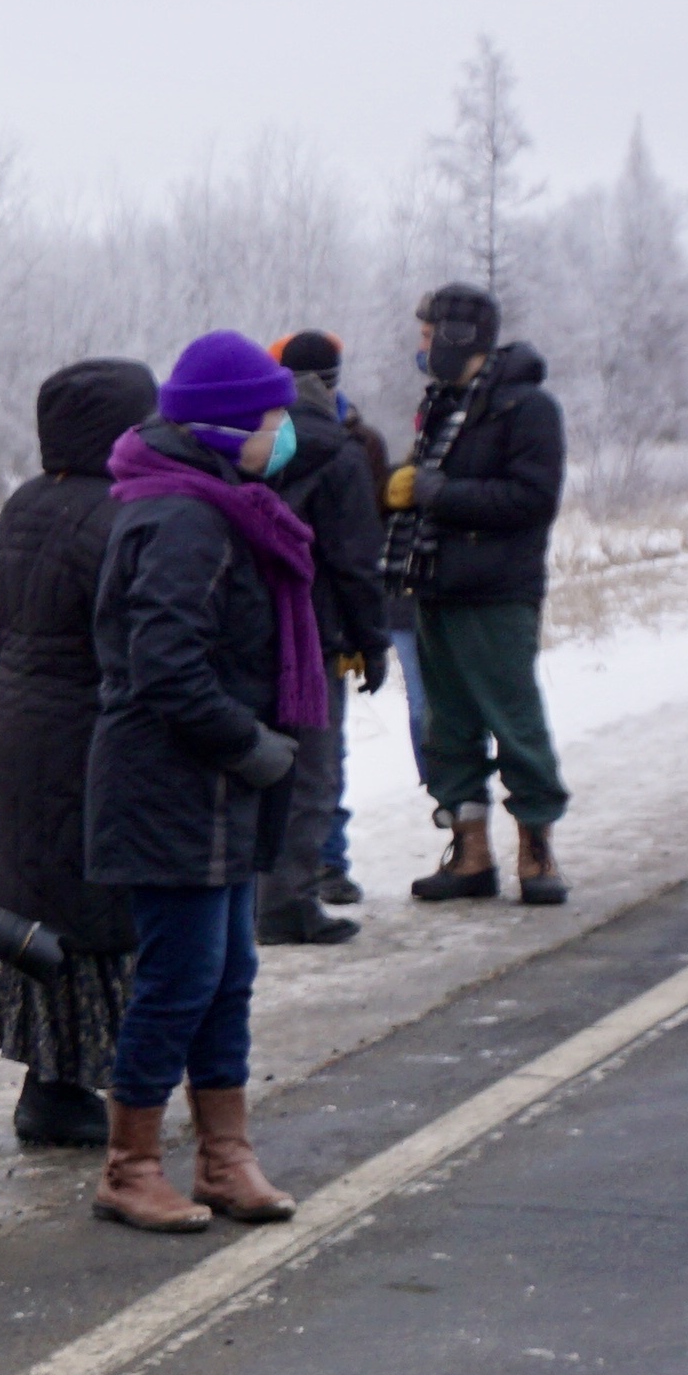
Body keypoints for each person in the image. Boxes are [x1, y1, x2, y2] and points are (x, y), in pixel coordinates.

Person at [83, 335, 331, 1235]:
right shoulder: (185, 520)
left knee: (228, 973)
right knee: (181, 978)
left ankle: (225, 1159)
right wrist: (251, 746)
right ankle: (131, 1165)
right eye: (272, 419)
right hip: (172, 785)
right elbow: (165, 667)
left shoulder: (216, 506)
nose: (285, 433)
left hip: (213, 790)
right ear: (228, 428)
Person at [0, 358, 154, 1153]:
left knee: (35, 904)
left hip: (13, 728)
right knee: (93, 909)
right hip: (84, 735)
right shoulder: (123, 513)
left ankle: (46, 1076)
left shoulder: (26, 504)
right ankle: (68, 1085)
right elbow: (126, 643)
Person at [386, 283, 567, 906]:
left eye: (428, 335)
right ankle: (470, 853)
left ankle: (536, 851)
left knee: (513, 720)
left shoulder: (526, 408)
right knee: (447, 727)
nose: (421, 347)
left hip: (496, 593)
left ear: (458, 338)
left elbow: (532, 498)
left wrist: (438, 494)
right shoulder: (443, 404)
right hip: (435, 586)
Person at [256, 332, 395, 942]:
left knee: (257, 766)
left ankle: (250, 900)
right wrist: (375, 643)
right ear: (333, 385)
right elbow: (356, 563)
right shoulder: (342, 455)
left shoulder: (248, 447)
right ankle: (290, 905)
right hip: (317, 638)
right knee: (313, 772)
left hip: (249, 633)